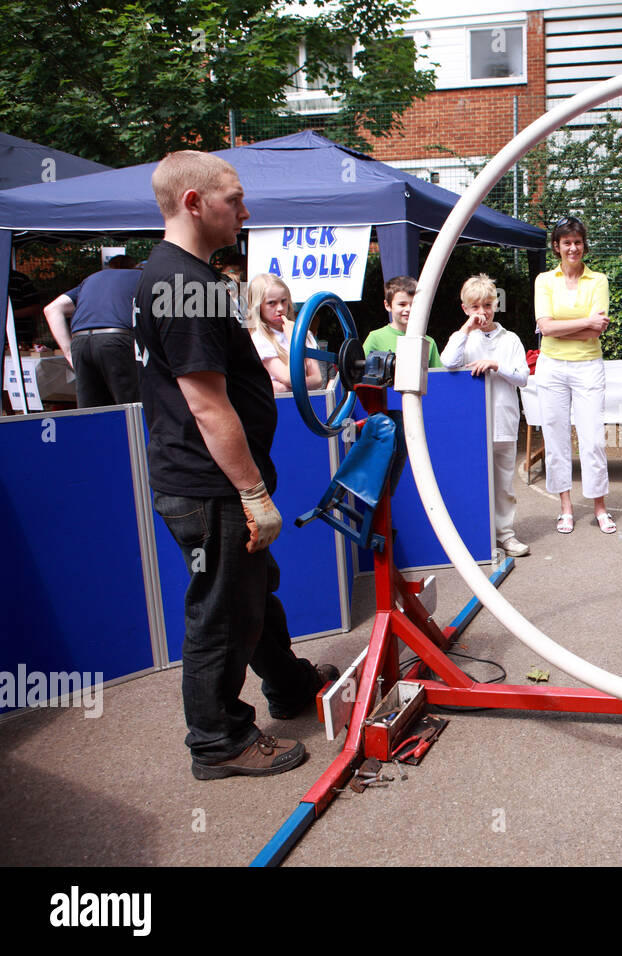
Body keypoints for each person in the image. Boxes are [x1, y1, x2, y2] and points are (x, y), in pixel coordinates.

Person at [133, 150, 335, 780]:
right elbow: (206, 403)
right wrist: (253, 494)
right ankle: (219, 741)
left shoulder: (190, 277)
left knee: (251, 594)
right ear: (193, 202)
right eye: (234, 199)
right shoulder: (185, 286)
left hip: (209, 481)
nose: (245, 212)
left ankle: (291, 685)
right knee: (222, 613)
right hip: (210, 486)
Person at [533, 215, 616, 535]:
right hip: (551, 367)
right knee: (555, 438)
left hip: (588, 367)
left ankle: (600, 507)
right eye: (566, 242)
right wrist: (583, 324)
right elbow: (545, 327)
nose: (573, 247)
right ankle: (565, 508)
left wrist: (559, 328)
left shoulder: (599, 281)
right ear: (557, 246)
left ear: (584, 244)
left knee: (593, 439)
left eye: (578, 242)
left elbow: (593, 335)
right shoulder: (545, 280)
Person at [442, 274, 530, 557]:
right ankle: (478, 534)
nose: (483, 312)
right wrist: (466, 329)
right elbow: (448, 362)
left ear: (495, 304)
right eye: (476, 307)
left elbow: (523, 377)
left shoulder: (511, 339)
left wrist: (495, 365)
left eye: (488, 305)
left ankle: (506, 534)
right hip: (472, 423)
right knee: (474, 478)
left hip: (503, 420)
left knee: (503, 482)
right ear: (465, 308)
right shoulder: (464, 338)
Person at [42, 255, 142, 407]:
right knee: (133, 408)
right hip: (117, 339)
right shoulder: (142, 277)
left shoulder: (92, 279)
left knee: (91, 412)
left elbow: (52, 309)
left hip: (80, 343)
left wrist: (69, 354)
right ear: (134, 266)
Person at [244, 273, 323, 393]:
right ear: (258, 306)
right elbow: (291, 378)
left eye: (283, 301)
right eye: (272, 303)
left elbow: (317, 379)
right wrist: (294, 342)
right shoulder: (259, 339)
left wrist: (284, 388)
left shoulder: (303, 333)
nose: (280, 308)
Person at [362, 276, 441, 368]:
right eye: (402, 304)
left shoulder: (429, 342)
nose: (408, 309)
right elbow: (358, 374)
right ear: (387, 305)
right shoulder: (375, 338)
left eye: (413, 304)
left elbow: (438, 377)